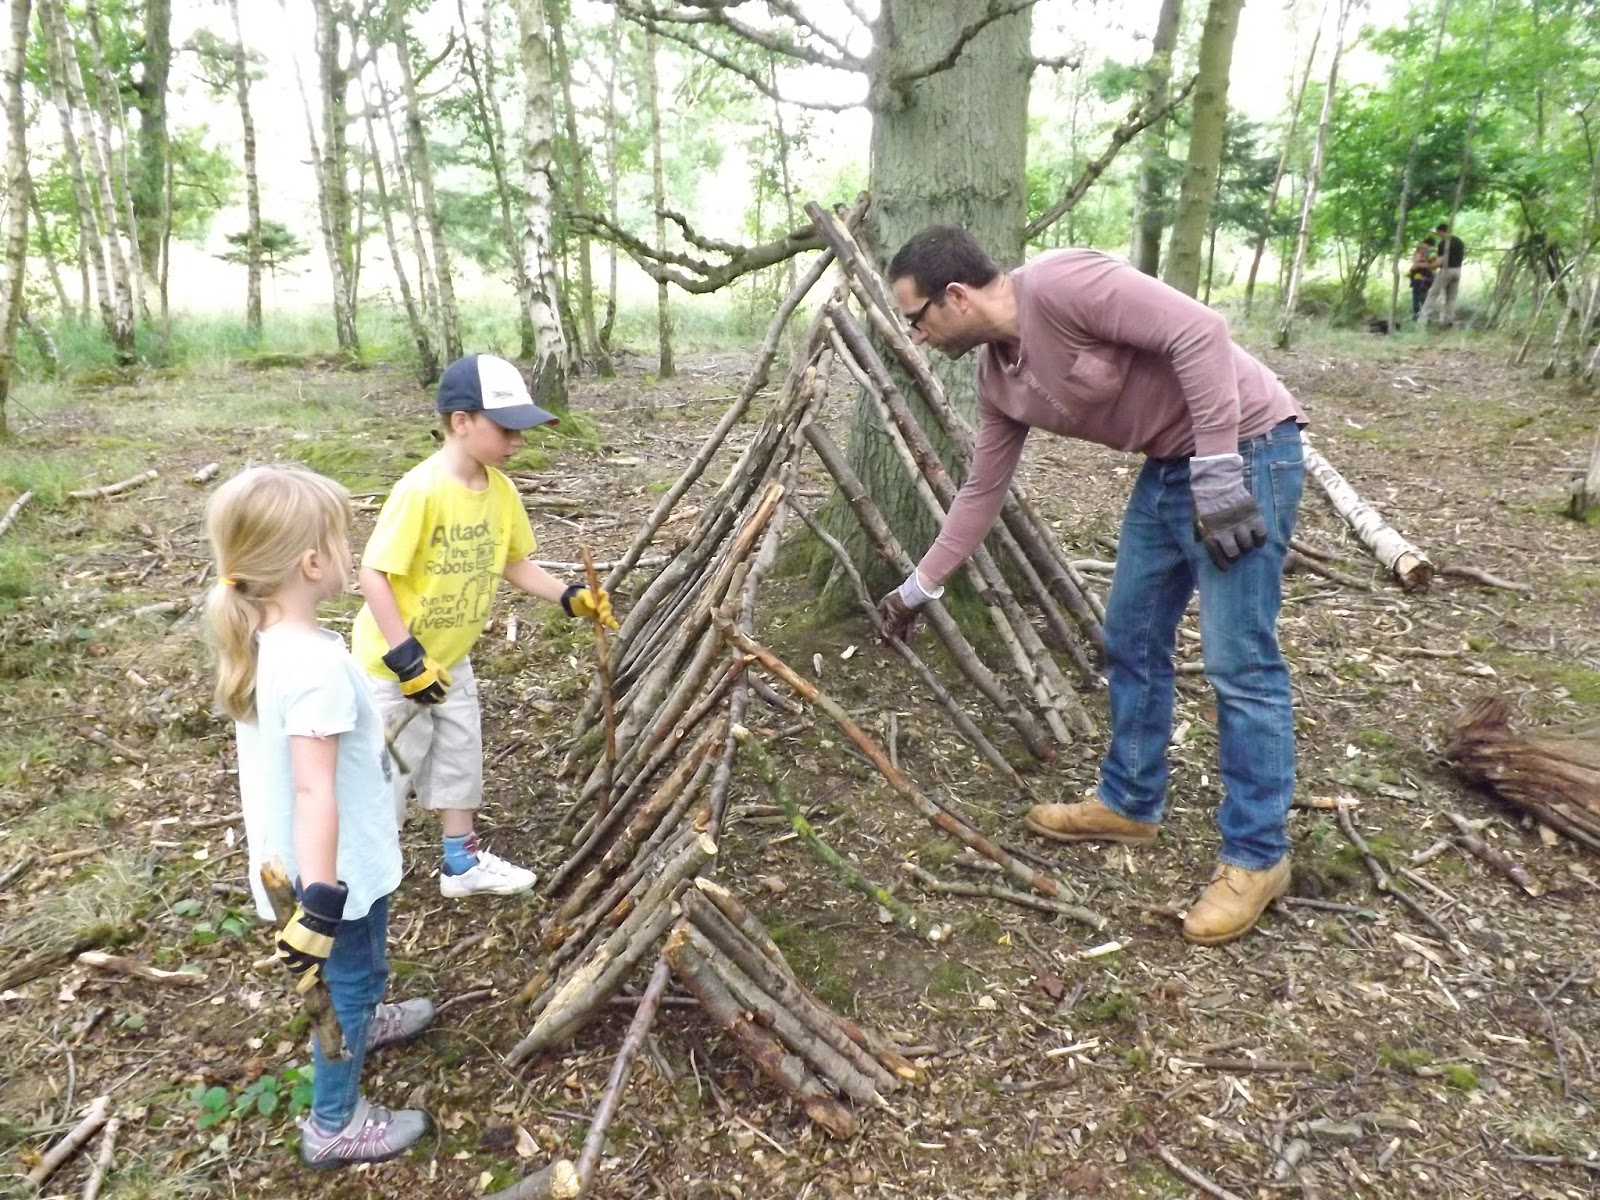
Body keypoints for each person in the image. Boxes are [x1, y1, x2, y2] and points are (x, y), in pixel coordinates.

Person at [877, 226, 1308, 947]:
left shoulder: (1063, 285)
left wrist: (1218, 472)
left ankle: (1258, 856)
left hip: (1248, 448)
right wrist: (919, 587)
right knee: (1130, 636)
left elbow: (1200, 331)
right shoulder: (996, 378)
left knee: (1240, 661)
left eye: (916, 319)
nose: (916, 338)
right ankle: (1131, 800)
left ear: (954, 297)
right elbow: (982, 490)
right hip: (1167, 470)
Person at [203, 466, 432, 1169]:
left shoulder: (269, 645)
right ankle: (334, 1122)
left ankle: (367, 1015)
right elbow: (313, 790)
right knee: (349, 978)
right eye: (341, 539)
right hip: (335, 870)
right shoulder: (314, 666)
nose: (350, 551)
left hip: (304, 862)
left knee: (360, 970)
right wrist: (325, 900)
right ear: (311, 563)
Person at [352, 353, 618, 898]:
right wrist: (405, 656)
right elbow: (373, 573)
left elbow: (512, 561)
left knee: (460, 755)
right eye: (506, 428)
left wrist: (569, 598)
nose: (517, 441)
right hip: (390, 667)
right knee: (385, 772)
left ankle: (460, 863)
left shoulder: (500, 491)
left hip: (451, 659)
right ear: (461, 422)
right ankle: (363, 870)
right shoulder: (421, 490)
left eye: (522, 429)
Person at [1420, 222, 1466, 327]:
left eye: (1438, 234)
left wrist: (1428, 265)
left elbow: (1440, 261)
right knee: (1451, 297)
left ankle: (1422, 319)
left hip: (1446, 271)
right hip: (1458, 271)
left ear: (1441, 231)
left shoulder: (1444, 243)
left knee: (1432, 293)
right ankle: (1449, 320)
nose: (1438, 236)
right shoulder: (1459, 242)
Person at [1408, 235, 1437, 320]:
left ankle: (1418, 318)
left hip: (1419, 277)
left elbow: (1415, 263)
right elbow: (1432, 265)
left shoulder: (1422, 249)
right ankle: (1425, 318)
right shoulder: (1430, 250)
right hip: (1425, 277)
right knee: (1424, 299)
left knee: (1417, 299)